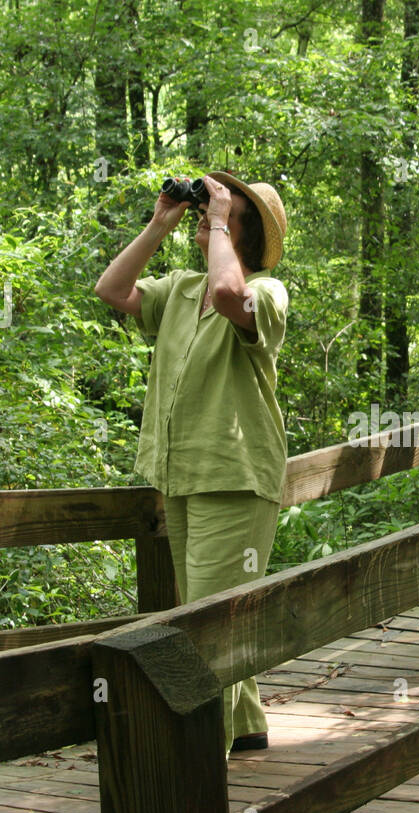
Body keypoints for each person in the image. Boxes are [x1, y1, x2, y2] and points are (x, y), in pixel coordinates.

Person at [94, 171, 289, 755]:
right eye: (206, 213)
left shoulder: (267, 291)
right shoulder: (180, 289)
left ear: (241, 233)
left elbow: (230, 296)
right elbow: (112, 290)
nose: (205, 219)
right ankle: (246, 721)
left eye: (221, 216)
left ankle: (204, 757)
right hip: (181, 472)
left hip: (235, 475)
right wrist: (160, 222)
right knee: (208, 609)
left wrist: (223, 218)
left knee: (207, 623)